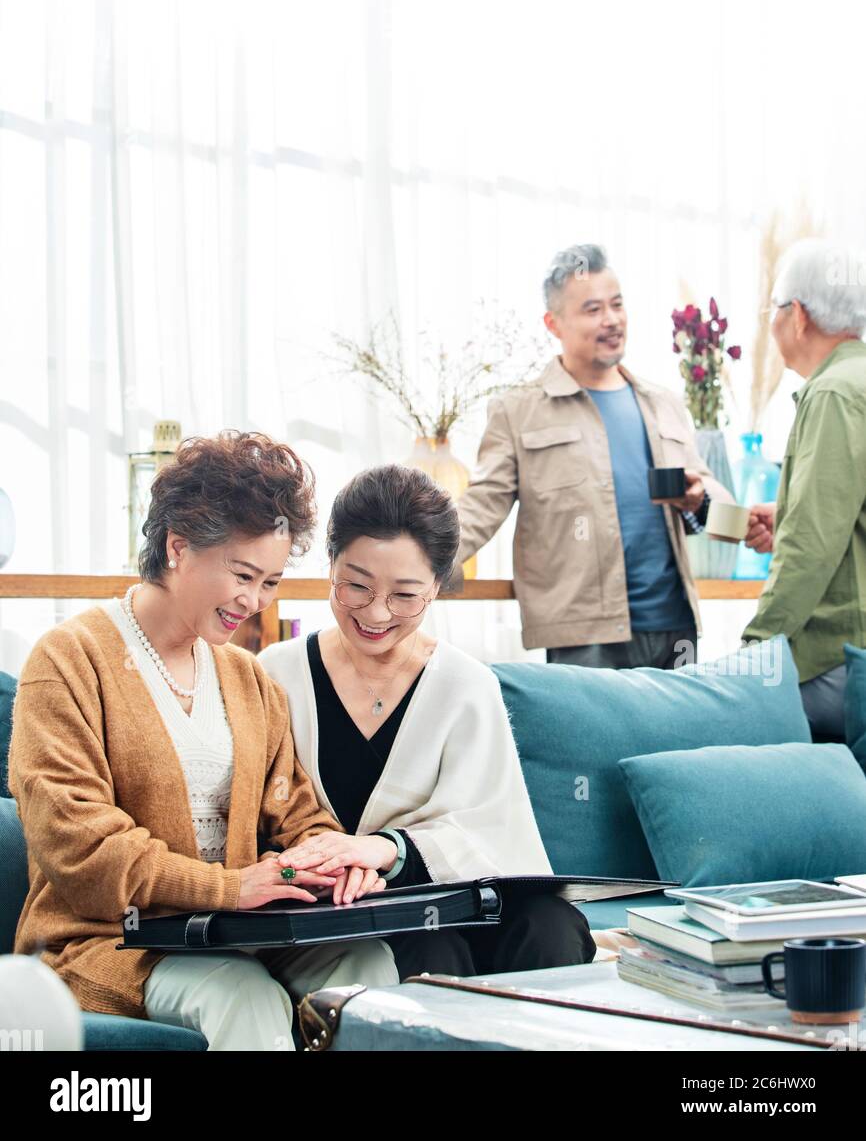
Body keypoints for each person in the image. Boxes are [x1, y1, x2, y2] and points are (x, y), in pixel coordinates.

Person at [8, 431, 398, 1051]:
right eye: (242, 575)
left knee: (366, 965)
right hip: (110, 938)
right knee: (240, 994)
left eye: (269, 583)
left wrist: (333, 859)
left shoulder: (249, 679)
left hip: (236, 928)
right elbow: (76, 845)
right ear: (178, 546)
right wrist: (226, 889)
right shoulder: (69, 660)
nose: (253, 601)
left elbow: (295, 813)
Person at [259, 463, 597, 981]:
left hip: (454, 896)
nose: (375, 614)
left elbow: (496, 836)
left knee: (550, 927)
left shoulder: (466, 685)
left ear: (437, 586)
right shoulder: (275, 675)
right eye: (356, 586)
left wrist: (389, 850)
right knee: (427, 954)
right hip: (335, 909)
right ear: (331, 566)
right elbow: (255, 817)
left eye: (404, 595)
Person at [443, 243, 733, 669]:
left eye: (617, 305)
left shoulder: (663, 403)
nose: (612, 319)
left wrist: (700, 499)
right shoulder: (519, 411)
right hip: (583, 635)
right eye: (593, 309)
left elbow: (720, 506)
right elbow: (483, 505)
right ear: (553, 323)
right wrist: (419, 561)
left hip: (675, 628)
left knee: (683, 739)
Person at [742, 239, 866, 739]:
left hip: (841, 658)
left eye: (773, 308)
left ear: (797, 315)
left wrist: (755, 648)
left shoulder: (834, 393)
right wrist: (790, 511)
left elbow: (810, 548)